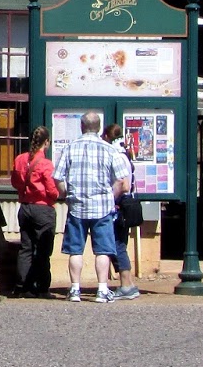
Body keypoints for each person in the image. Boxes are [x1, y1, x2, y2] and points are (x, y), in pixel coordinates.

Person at [52, 109, 127, 303]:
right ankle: (102, 290)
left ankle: (75, 289)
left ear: (81, 126)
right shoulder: (109, 149)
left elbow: (57, 177)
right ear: (99, 128)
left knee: (75, 250)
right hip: (102, 208)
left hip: (77, 207)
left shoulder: (70, 148)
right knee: (103, 250)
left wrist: (66, 194)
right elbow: (121, 180)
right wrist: (111, 197)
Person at [10, 125, 59, 298]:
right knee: (43, 251)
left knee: (26, 248)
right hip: (43, 209)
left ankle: (22, 286)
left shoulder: (20, 159)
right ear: (46, 142)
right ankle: (42, 287)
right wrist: (56, 195)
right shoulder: (46, 164)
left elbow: (14, 182)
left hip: (25, 207)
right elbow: (52, 190)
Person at [101, 120, 140, 301]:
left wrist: (110, 199)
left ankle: (125, 285)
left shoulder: (116, 155)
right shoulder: (125, 153)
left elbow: (123, 185)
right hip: (126, 203)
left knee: (117, 245)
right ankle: (129, 283)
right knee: (120, 243)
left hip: (120, 204)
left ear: (107, 136)